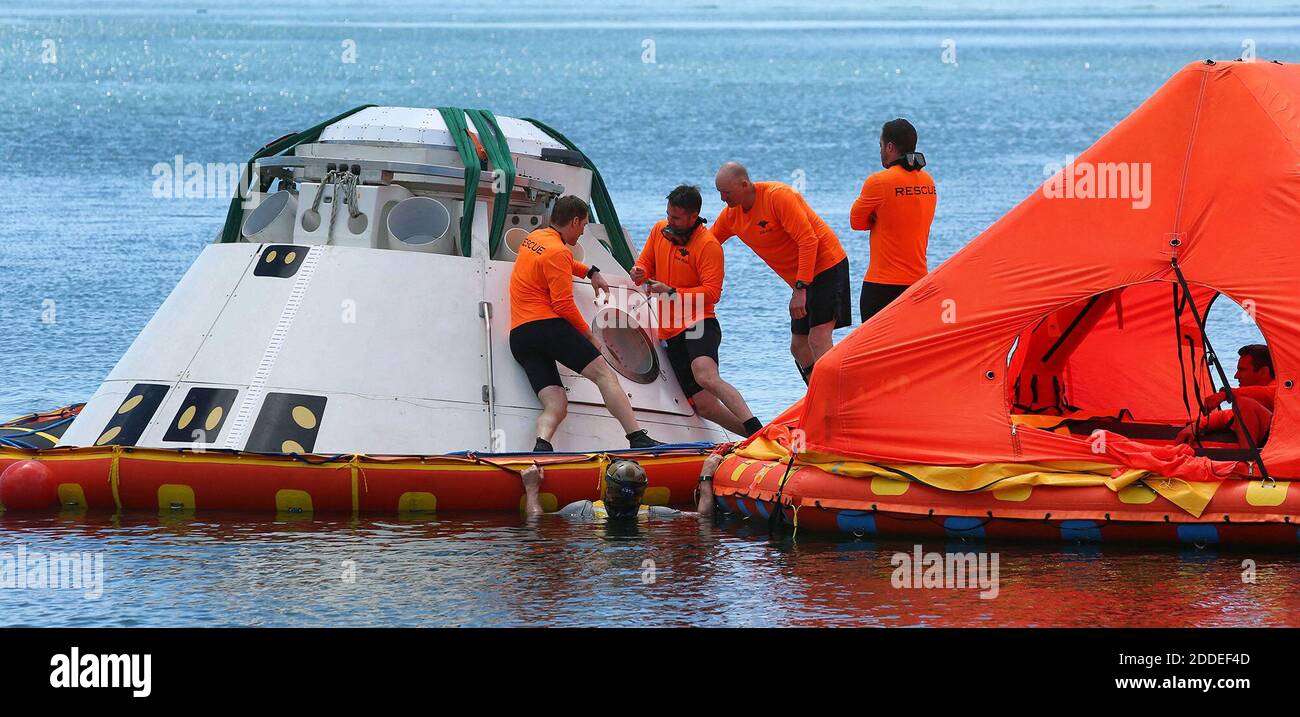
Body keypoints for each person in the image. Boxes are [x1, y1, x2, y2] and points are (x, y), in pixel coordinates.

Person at [509, 195, 663, 452]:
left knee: (555, 402)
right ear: (574, 220)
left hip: (520, 337)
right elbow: (562, 304)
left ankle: (542, 444)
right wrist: (589, 336)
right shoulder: (558, 251)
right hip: (546, 327)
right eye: (583, 226)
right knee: (605, 375)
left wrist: (590, 271)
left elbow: (559, 262)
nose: (582, 232)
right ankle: (637, 437)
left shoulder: (534, 239)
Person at [630, 185, 764, 437]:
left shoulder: (708, 245)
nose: (670, 221)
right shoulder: (659, 230)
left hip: (698, 321)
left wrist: (672, 292)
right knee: (704, 406)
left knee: (706, 376)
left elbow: (712, 293)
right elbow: (645, 264)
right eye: (669, 215)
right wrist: (639, 271)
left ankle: (756, 426)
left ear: (694, 217)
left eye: (677, 218)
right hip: (669, 331)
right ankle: (753, 438)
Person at [712, 162, 850, 384]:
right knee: (798, 346)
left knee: (818, 338)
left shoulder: (778, 196)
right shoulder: (731, 216)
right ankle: (819, 394)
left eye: (726, 193)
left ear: (744, 184)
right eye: (719, 193)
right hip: (802, 279)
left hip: (826, 265)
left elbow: (808, 241)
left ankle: (835, 398)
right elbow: (709, 243)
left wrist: (800, 289)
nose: (722, 199)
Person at [849, 118, 937, 323]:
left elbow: (856, 222)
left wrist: (876, 217)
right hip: (918, 283)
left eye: (880, 145)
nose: (880, 150)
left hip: (881, 285)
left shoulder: (879, 182)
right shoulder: (928, 182)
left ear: (889, 146)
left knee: (873, 353)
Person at [520, 452, 724, 520]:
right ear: (643, 491)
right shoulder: (655, 514)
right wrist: (706, 475)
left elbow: (536, 520)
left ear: (607, 487)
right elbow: (703, 517)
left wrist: (531, 489)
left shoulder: (583, 510)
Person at [1176, 344, 1277, 447]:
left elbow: (1270, 394)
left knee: (1243, 403)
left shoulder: (1282, 391)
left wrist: (1226, 394)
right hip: (1270, 446)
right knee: (1241, 405)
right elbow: (1225, 416)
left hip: (1283, 447)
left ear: (1263, 372)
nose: (1236, 376)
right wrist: (1195, 426)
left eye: (1242, 370)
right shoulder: (1256, 402)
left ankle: (1248, 460)